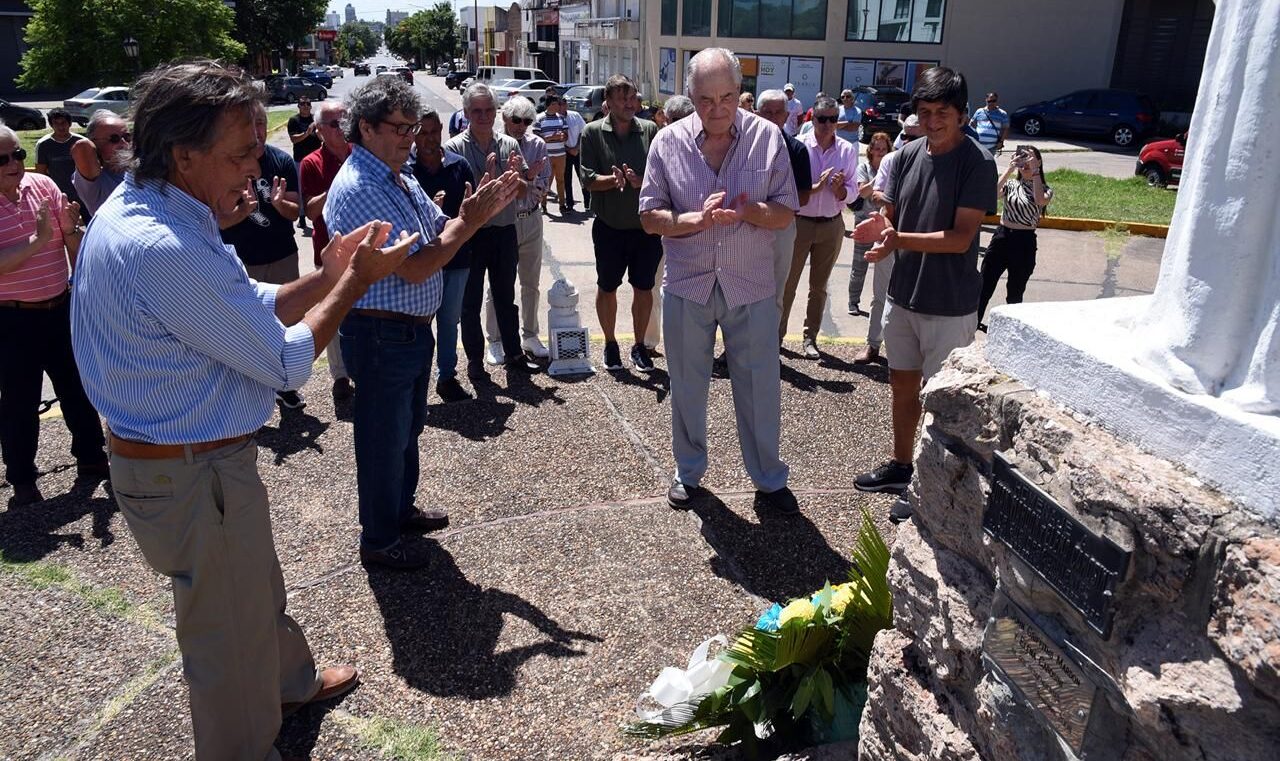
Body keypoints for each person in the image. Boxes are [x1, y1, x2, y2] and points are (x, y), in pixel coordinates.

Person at [70, 61, 420, 759]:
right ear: (182, 153)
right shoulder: (162, 245)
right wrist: (353, 282)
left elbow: (247, 305)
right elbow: (287, 362)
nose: (254, 172)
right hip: (191, 475)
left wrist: (323, 272)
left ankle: (288, 680)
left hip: (201, 464)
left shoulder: (162, 209)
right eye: (239, 154)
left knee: (255, 588)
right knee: (224, 641)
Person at [325, 76, 521, 570]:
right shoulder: (362, 186)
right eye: (399, 128)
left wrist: (470, 214)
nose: (409, 137)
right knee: (382, 439)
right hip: (380, 331)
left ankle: (398, 512)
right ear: (365, 128)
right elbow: (414, 265)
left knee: (405, 430)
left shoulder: (398, 175)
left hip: (408, 330)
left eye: (413, 127)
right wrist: (470, 222)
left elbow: (436, 233)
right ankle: (379, 540)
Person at [639, 48, 800, 515]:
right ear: (689, 95)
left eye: (727, 96)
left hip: (750, 284)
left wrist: (751, 210)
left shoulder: (768, 138)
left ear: (740, 92)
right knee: (687, 385)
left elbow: (787, 210)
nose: (717, 108)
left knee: (760, 388)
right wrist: (693, 219)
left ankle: (769, 479)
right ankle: (688, 473)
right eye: (706, 99)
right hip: (688, 283)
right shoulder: (666, 143)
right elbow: (650, 217)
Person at [852, 66, 997, 521]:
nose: (933, 121)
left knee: (942, 403)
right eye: (925, 112)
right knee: (902, 388)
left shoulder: (978, 163)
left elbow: (960, 238)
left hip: (949, 306)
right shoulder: (909, 153)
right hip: (903, 296)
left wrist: (899, 240)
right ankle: (902, 466)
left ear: (963, 115)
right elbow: (892, 211)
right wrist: (882, 225)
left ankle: (926, 487)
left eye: (943, 113)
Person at [0, 124, 107, 509]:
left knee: (77, 388)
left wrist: (72, 230)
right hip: (13, 319)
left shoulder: (42, 187)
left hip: (60, 306)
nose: (14, 164)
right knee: (19, 402)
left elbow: (71, 241)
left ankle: (92, 457)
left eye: (18, 154)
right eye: (4, 159)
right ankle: (23, 480)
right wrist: (38, 241)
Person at [444, 83, 539, 375]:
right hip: (471, 235)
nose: (483, 116)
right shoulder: (453, 149)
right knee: (469, 301)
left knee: (504, 297)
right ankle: (474, 360)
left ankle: (514, 354)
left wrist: (512, 178)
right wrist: (491, 181)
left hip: (503, 231)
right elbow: (454, 198)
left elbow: (524, 190)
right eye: (477, 111)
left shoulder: (510, 145)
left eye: (488, 110)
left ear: (496, 111)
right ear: (466, 113)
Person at [220, 101, 307, 410]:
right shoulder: (227, 165)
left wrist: (281, 205)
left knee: (286, 322)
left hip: (282, 254)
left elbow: (297, 211)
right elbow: (214, 215)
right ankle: (251, 388)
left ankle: (284, 384)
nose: (255, 131)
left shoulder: (281, 161)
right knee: (246, 326)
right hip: (241, 259)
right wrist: (240, 211)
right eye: (249, 124)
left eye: (260, 123)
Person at [580, 74, 662, 372]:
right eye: (623, 99)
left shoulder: (651, 130)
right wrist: (611, 181)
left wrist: (642, 182)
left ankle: (639, 346)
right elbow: (587, 179)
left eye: (633, 98)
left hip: (645, 229)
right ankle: (611, 343)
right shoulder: (591, 133)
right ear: (609, 103)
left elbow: (662, 176)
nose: (630, 104)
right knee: (608, 287)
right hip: (609, 228)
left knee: (643, 288)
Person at [781, 96, 859, 358]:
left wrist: (840, 190)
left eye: (833, 119)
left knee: (819, 287)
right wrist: (813, 189)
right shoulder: (800, 146)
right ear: (812, 119)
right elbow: (787, 187)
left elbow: (854, 192)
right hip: (799, 223)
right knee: (787, 284)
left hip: (831, 225)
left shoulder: (847, 150)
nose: (828, 124)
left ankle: (810, 338)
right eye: (823, 119)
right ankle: (776, 337)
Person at [411, 108, 478, 403]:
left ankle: (446, 377)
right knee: (419, 323)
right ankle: (417, 379)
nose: (428, 138)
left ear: (441, 130)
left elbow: (472, 209)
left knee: (449, 321)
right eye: (422, 132)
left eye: (433, 131)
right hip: (421, 261)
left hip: (457, 257)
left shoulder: (459, 165)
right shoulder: (406, 170)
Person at [485, 96, 550, 360]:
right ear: (505, 118)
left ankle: (530, 335)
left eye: (527, 121)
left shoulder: (538, 145)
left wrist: (529, 182)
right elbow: (498, 189)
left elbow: (541, 191)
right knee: (499, 283)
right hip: (504, 221)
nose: (521, 126)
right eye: (516, 120)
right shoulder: (494, 145)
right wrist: (527, 179)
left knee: (531, 282)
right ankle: (495, 339)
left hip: (531, 219)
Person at [299, 100, 355, 403]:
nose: (342, 127)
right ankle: (340, 376)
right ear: (320, 131)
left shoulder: (360, 153)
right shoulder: (311, 163)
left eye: (345, 120)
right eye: (335, 123)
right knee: (332, 315)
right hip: (329, 252)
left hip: (360, 250)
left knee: (361, 312)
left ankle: (362, 368)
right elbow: (310, 211)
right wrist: (337, 184)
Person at [855, 118, 922, 367]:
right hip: (888, 236)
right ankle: (873, 345)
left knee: (916, 299)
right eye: (906, 136)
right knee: (880, 296)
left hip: (920, 242)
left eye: (915, 137)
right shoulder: (892, 161)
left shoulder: (938, 163)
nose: (909, 142)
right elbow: (874, 194)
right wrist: (893, 198)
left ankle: (908, 354)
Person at [754, 89, 814, 346]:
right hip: (747, 224)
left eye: (778, 111)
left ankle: (769, 346)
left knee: (776, 290)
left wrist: (773, 204)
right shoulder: (741, 146)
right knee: (743, 290)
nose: (772, 116)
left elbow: (803, 197)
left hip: (781, 227)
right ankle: (737, 348)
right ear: (756, 113)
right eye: (767, 111)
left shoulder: (797, 149)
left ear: (787, 115)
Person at [977, 145, 1053, 328]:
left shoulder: (1045, 189)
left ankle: (1008, 330)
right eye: (1022, 157)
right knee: (984, 284)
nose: (1024, 162)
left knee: (1015, 291)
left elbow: (1039, 200)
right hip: (1002, 237)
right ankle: (973, 322)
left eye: (1029, 157)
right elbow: (991, 195)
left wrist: (1034, 171)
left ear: (1039, 162)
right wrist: (1010, 168)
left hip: (1024, 242)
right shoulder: (1011, 184)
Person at [848, 131, 892, 350]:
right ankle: (853, 301)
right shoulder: (864, 168)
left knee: (883, 273)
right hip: (864, 222)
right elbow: (863, 192)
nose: (880, 152)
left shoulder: (893, 166)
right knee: (859, 266)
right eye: (877, 148)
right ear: (871, 149)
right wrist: (879, 176)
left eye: (884, 149)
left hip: (883, 224)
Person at [70, 109, 129, 215]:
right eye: (114, 138)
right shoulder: (95, 182)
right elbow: (82, 147)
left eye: (127, 137)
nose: (124, 144)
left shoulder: (140, 169)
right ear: (94, 144)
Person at [34, 108, 87, 220]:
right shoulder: (43, 144)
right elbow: (40, 174)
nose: (60, 127)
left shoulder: (81, 142)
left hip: (83, 194)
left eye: (63, 123)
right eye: (56, 123)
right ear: (51, 125)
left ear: (70, 123)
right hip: (58, 195)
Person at [288, 96, 323, 234]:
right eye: (302, 104)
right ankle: (302, 217)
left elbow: (322, 137)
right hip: (301, 160)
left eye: (308, 103)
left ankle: (319, 216)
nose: (306, 106)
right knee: (302, 189)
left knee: (318, 188)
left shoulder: (316, 120)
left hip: (317, 160)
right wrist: (307, 133)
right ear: (298, 106)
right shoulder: (294, 121)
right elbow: (294, 140)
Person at [533, 95, 570, 215]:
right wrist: (550, 138)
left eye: (558, 104)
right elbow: (536, 136)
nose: (558, 106)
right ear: (549, 105)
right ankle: (543, 204)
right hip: (546, 155)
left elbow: (566, 134)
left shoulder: (561, 118)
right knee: (546, 180)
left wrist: (563, 136)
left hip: (560, 154)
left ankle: (562, 204)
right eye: (555, 104)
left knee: (561, 180)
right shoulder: (540, 118)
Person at [562, 95, 588, 211]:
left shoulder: (575, 115)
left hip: (578, 151)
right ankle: (569, 203)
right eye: (560, 105)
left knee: (583, 177)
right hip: (565, 153)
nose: (562, 107)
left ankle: (588, 203)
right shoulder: (556, 119)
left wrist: (576, 147)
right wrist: (569, 149)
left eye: (564, 104)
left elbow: (583, 132)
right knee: (567, 179)